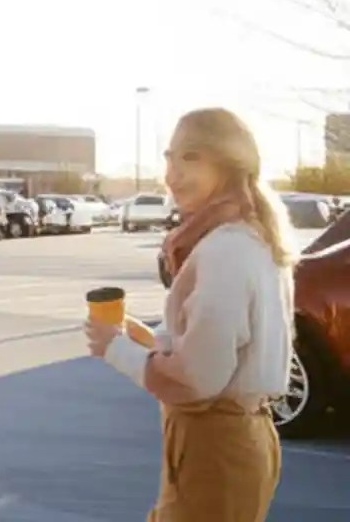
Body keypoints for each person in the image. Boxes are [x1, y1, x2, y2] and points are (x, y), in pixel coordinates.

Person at [84, 107, 294, 521]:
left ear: (229, 163)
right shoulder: (251, 236)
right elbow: (222, 351)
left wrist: (115, 349)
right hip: (235, 438)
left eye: (190, 157)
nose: (172, 174)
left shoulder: (225, 249)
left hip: (214, 443)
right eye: (169, 157)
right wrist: (143, 338)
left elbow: (199, 379)